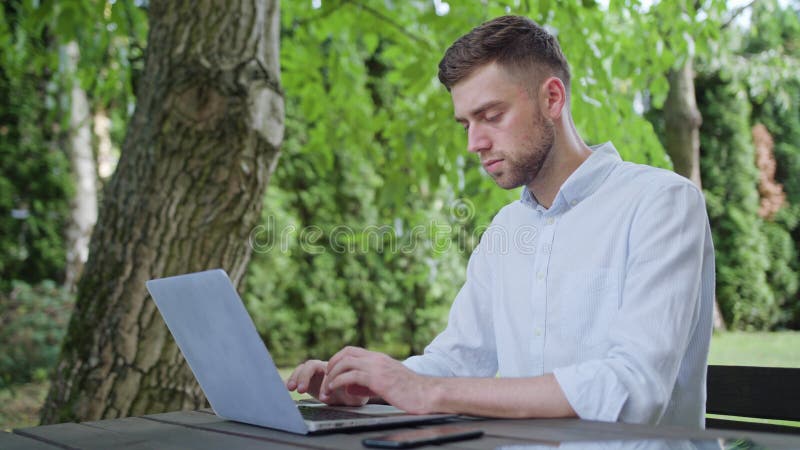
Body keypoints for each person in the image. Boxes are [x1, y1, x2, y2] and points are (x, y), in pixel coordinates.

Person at [286, 15, 715, 428]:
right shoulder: (506, 229)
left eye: (491, 116)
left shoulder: (662, 203)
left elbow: (633, 390)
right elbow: (456, 362)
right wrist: (371, 384)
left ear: (552, 98)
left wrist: (426, 392)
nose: (475, 142)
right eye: (466, 123)